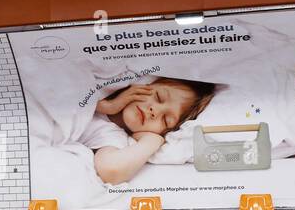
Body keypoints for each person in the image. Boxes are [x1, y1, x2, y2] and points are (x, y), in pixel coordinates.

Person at [82, 77, 216, 184]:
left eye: (165, 120)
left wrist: (151, 141)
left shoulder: (110, 134)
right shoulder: (93, 86)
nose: (155, 111)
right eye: (158, 97)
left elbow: (111, 170)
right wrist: (104, 106)